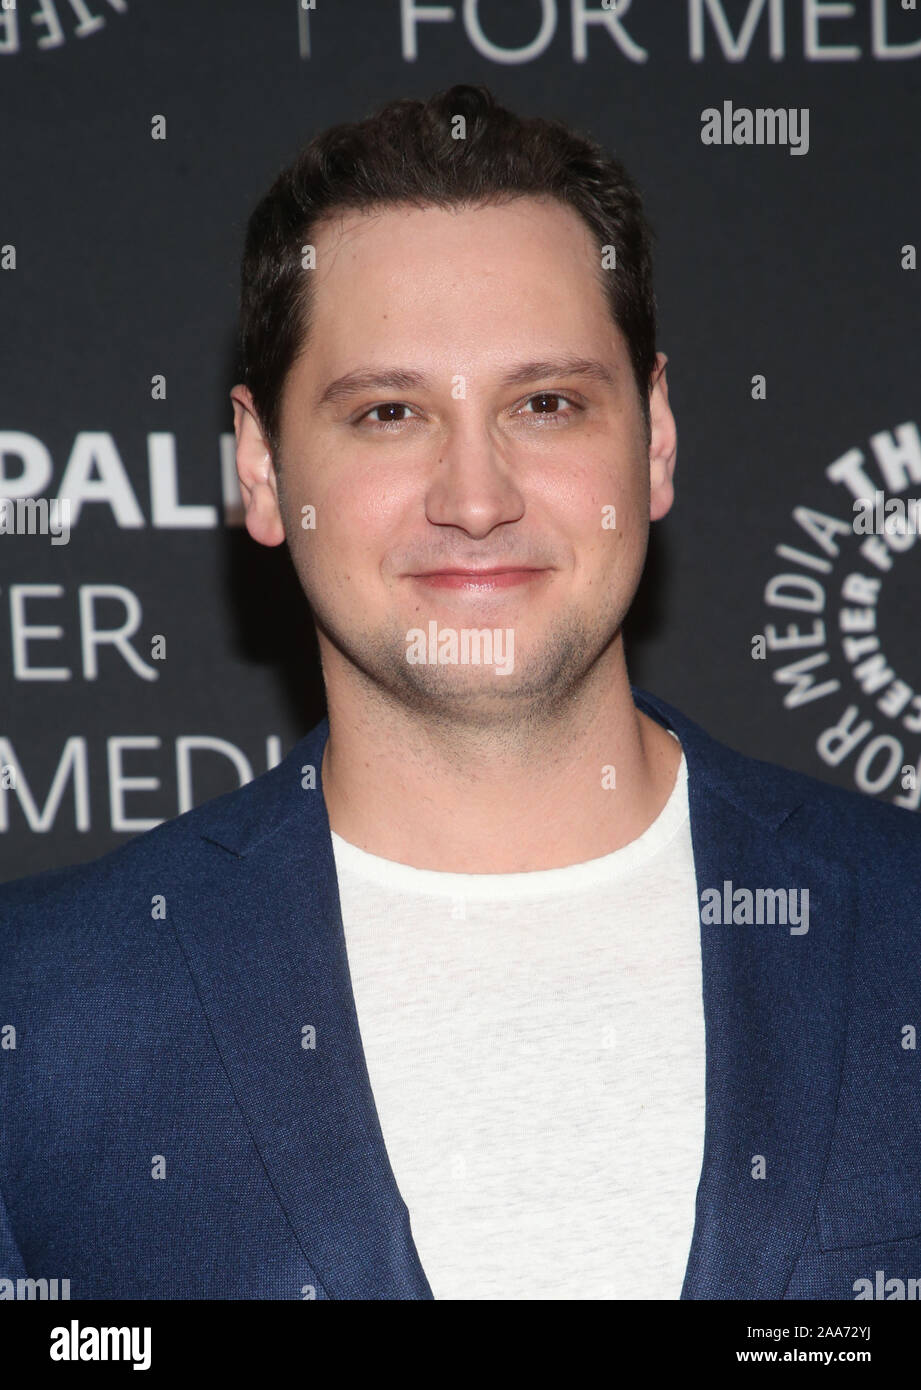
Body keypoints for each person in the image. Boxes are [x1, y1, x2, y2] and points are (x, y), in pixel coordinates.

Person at [2, 85, 920, 1303]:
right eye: (390, 413)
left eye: (544, 403)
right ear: (263, 469)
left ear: (653, 437)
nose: (475, 496)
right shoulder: (44, 1009)